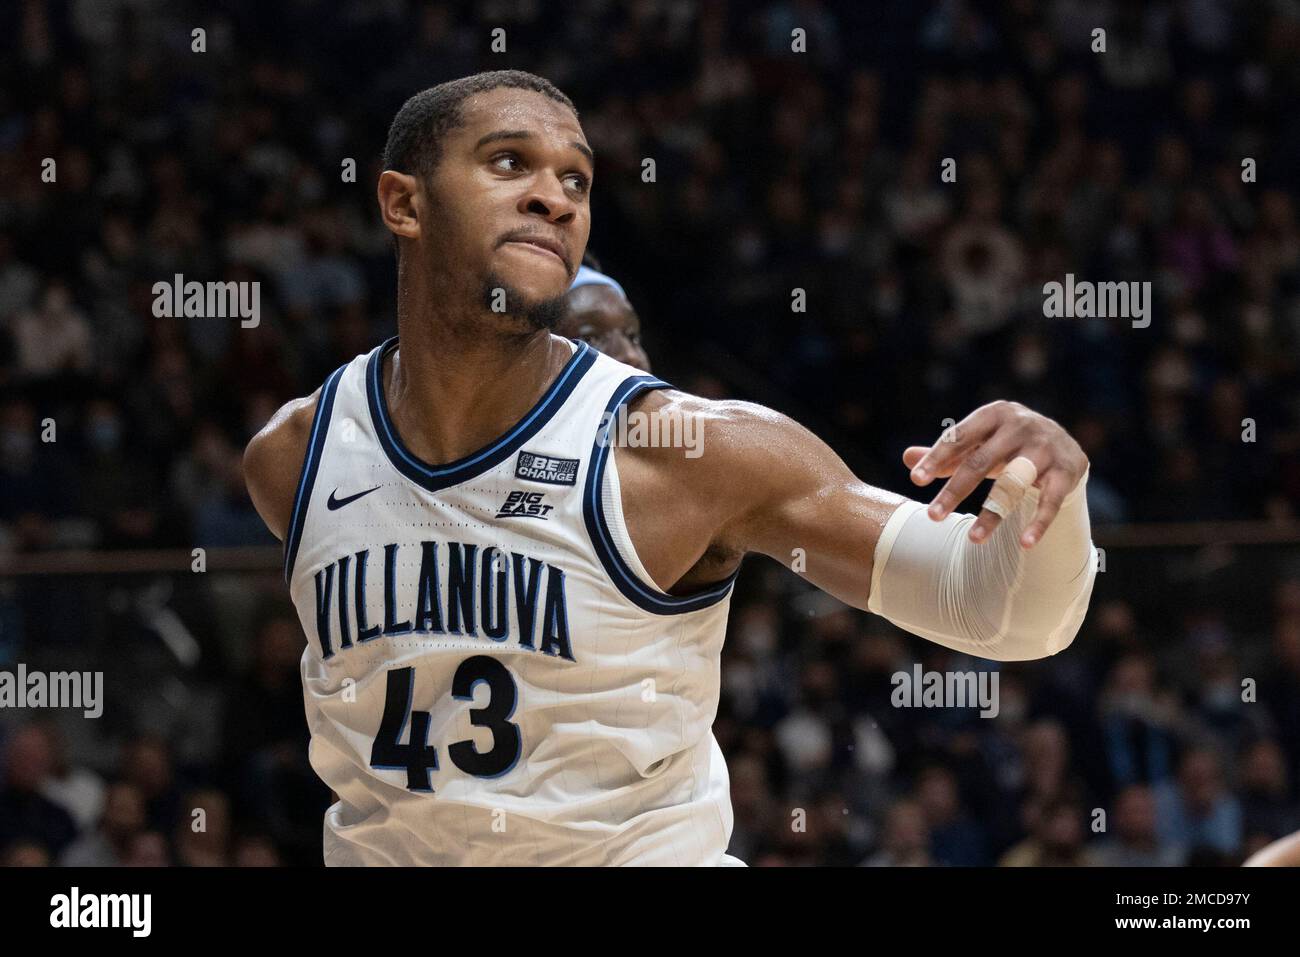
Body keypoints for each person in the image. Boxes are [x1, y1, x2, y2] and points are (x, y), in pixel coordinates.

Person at [243, 70, 1099, 866]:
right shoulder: (294, 458)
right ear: (403, 203)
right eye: (510, 163)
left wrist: (1051, 494)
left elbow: (998, 613)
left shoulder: (694, 453)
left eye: (576, 180)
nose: (553, 195)